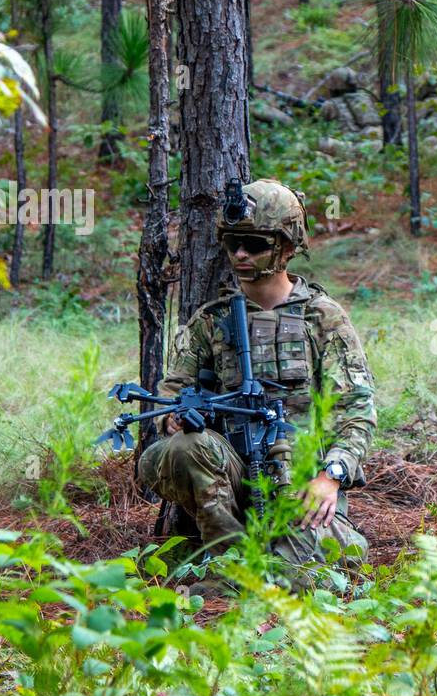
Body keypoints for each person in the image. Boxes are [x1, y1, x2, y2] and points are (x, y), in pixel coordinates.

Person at [137, 178, 376, 592]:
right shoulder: (212, 322)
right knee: (182, 448)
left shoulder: (322, 319)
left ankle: (257, 573)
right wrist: (174, 420)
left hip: (299, 484)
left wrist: (331, 476)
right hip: (227, 480)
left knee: (317, 581)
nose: (241, 255)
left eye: (254, 244)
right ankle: (228, 562)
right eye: (233, 245)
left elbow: (357, 410)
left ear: (286, 246)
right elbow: (171, 394)